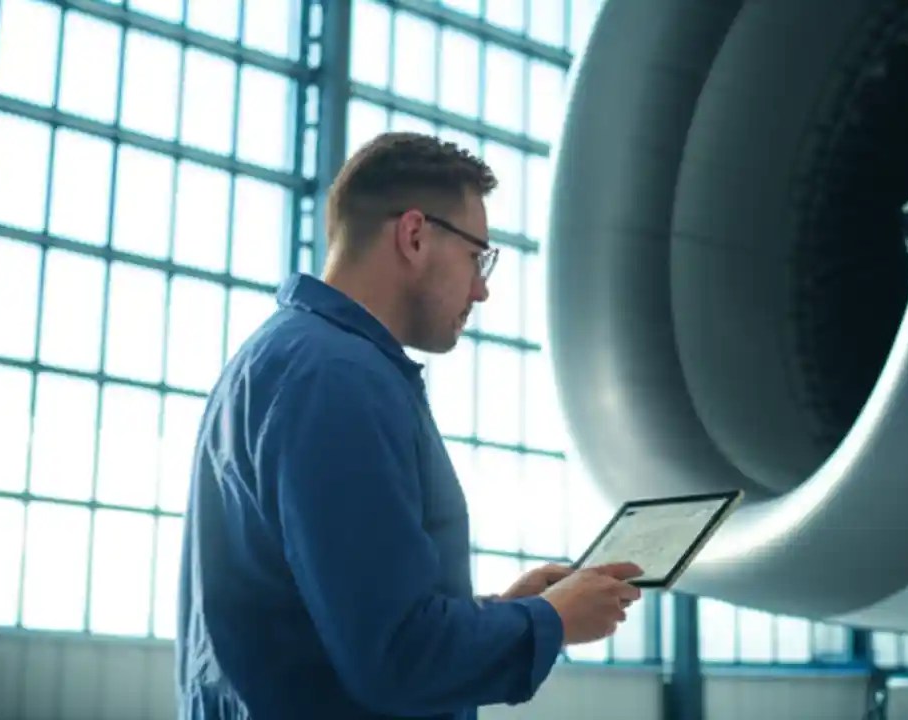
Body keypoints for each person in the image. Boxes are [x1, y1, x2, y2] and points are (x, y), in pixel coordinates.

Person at [175, 132, 644, 720]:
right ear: (415, 235)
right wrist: (549, 620)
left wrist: (506, 611)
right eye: (478, 257)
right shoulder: (337, 377)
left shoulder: (283, 357)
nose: (482, 289)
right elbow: (398, 657)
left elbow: (339, 620)